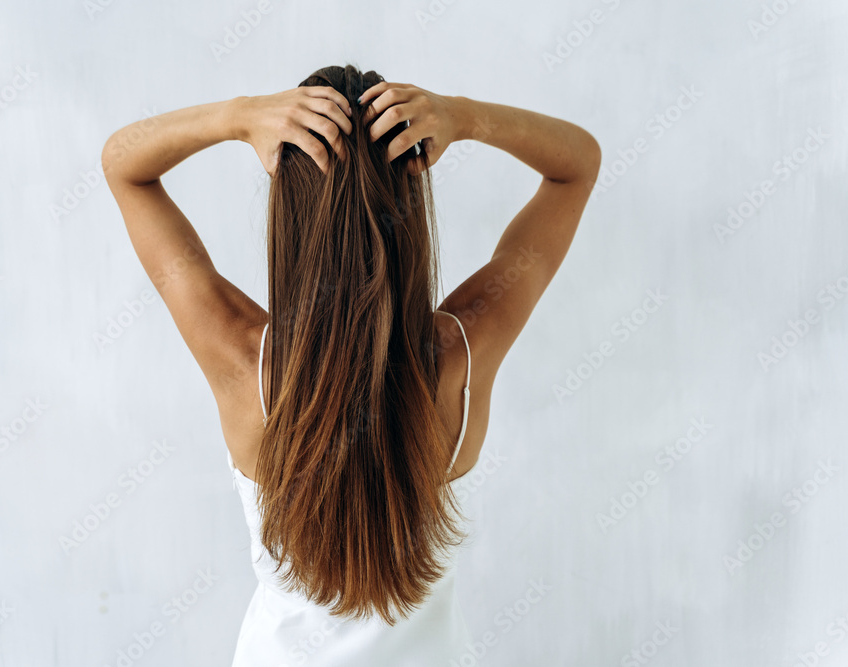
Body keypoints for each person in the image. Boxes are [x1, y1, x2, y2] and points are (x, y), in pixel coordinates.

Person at [102, 63, 600, 666]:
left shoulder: (240, 355)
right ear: (410, 208)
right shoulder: (463, 356)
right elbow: (577, 165)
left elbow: (124, 165)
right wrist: (463, 117)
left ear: (288, 214)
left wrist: (238, 116)